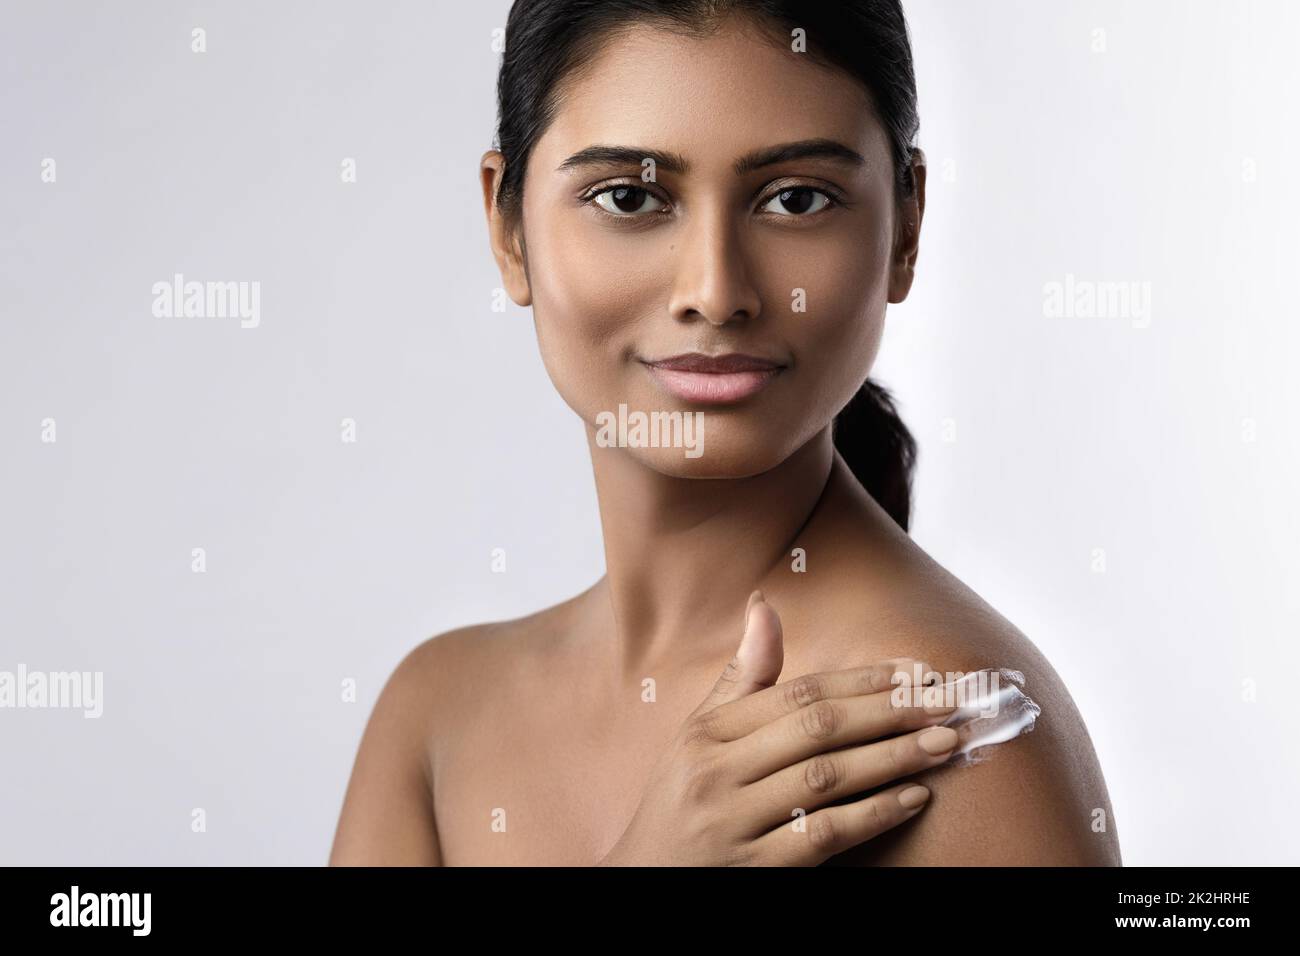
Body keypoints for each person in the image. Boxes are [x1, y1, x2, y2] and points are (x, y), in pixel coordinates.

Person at [330, 0, 1121, 866]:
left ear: (907, 227)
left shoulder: (953, 732)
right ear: (507, 227)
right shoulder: (438, 714)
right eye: (629, 197)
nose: (715, 289)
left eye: (795, 198)